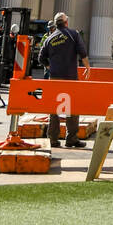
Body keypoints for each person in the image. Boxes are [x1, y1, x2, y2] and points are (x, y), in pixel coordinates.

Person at [37, 12, 90, 148]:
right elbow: (82, 52)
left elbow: (41, 58)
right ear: (66, 22)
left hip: (54, 77)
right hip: (70, 77)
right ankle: (71, 138)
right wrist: (87, 67)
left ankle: (53, 139)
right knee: (72, 107)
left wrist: (50, 67)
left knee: (54, 108)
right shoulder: (73, 34)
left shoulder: (50, 38)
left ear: (56, 24)